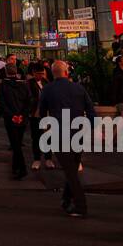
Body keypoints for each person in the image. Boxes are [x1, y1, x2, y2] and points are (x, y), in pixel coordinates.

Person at [38, 60, 93, 217]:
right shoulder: (78, 88)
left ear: (52, 73)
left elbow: (42, 112)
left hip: (58, 132)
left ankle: (81, 206)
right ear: (66, 72)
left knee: (70, 172)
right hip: (78, 131)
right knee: (72, 168)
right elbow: (90, 111)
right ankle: (66, 199)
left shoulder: (48, 89)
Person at [0, 66, 34, 179]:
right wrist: (22, 115)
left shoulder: (3, 86)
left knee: (15, 144)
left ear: (6, 73)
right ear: (16, 73)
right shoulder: (24, 85)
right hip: (22, 118)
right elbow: (29, 102)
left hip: (10, 118)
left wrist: (12, 115)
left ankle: (22, 168)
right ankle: (15, 165)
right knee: (17, 141)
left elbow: (2, 103)